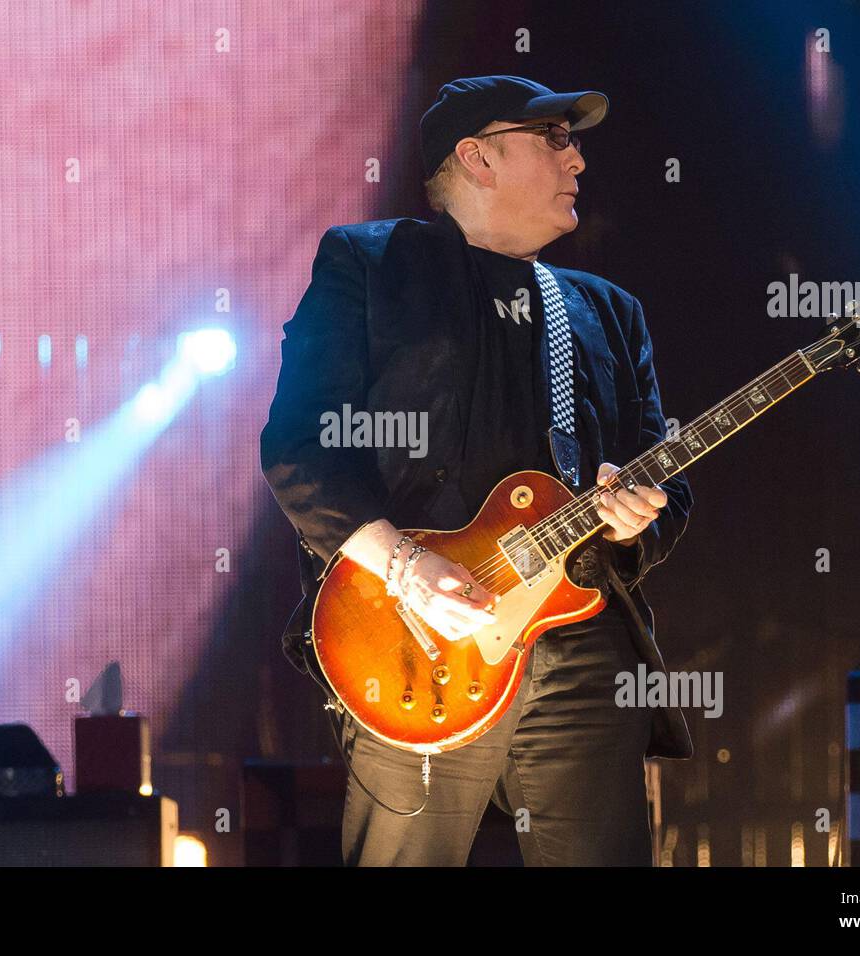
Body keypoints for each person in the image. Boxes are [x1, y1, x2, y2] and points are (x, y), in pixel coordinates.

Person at [260, 75, 694, 866]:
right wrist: (406, 565)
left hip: (582, 637)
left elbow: (666, 484)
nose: (580, 161)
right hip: (415, 637)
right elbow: (300, 446)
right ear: (477, 157)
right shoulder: (368, 266)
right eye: (556, 138)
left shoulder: (605, 311)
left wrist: (639, 517)